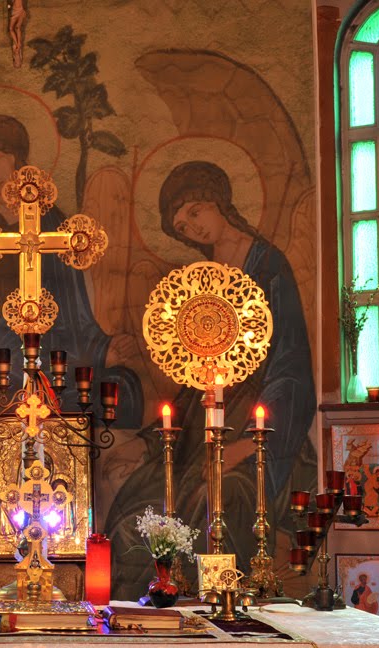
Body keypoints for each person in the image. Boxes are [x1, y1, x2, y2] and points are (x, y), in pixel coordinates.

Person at [104, 161, 316, 598]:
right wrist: (154, 436)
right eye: (183, 226)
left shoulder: (270, 268)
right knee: (134, 505)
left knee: (220, 497)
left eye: (196, 212)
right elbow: (198, 371)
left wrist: (249, 443)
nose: (192, 228)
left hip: (264, 427)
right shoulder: (206, 274)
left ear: (220, 202)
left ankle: (222, 602)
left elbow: (291, 369)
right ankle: (152, 602)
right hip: (202, 425)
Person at [0, 114, 141, 426]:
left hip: (56, 342)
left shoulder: (51, 219)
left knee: (123, 386)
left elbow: (71, 300)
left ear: (18, 157)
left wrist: (99, 348)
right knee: (7, 389)